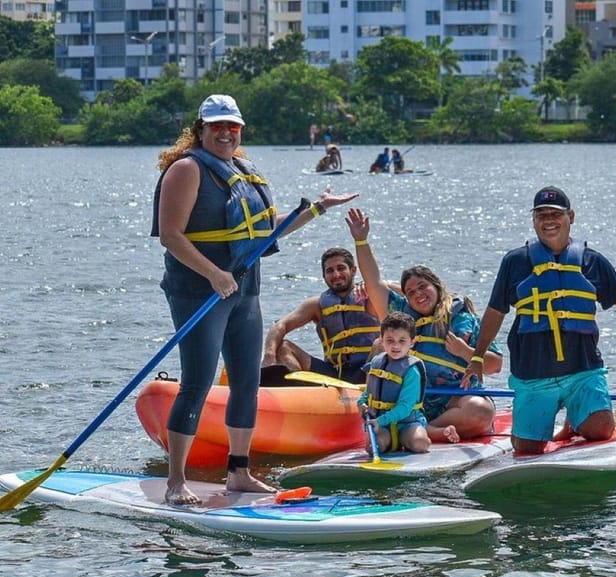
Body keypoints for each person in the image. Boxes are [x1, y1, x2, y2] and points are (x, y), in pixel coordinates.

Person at [153, 94, 359, 505]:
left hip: (244, 292)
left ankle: (239, 473)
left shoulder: (242, 172)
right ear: (201, 129)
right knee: (195, 383)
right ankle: (176, 480)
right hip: (199, 293)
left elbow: (266, 229)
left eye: (233, 126)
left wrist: (318, 208)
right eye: (217, 126)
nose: (226, 133)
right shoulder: (186, 170)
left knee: (247, 382)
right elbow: (171, 234)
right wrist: (213, 274)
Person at [461, 186, 616, 455]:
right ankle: (549, 419)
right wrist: (478, 357)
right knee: (527, 449)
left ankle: (577, 419)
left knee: (600, 429)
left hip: (583, 369)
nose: (548, 220)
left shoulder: (592, 261)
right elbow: (495, 312)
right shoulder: (515, 262)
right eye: (541, 215)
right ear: (533, 220)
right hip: (533, 371)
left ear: (571, 216)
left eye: (556, 214)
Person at [346, 207, 503, 443]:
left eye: (422, 286)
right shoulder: (401, 314)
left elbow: (495, 366)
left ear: (436, 286)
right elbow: (373, 281)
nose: (418, 294)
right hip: (411, 400)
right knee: (381, 345)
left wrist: (466, 352)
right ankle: (416, 427)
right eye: (411, 292)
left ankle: (424, 429)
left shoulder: (463, 316)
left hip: (454, 401)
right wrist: (361, 241)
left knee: (481, 411)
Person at [261, 247, 380, 385]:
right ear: (324, 276)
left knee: (381, 343)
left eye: (341, 268)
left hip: (367, 371)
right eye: (330, 271)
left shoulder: (373, 295)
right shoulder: (317, 305)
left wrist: (374, 285)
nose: (336, 275)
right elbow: (280, 326)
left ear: (353, 270)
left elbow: (405, 295)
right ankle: (300, 396)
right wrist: (269, 356)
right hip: (333, 372)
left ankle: (372, 394)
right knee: (283, 347)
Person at [358, 311, 437, 454]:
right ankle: (387, 443)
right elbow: (368, 392)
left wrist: (379, 421)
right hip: (383, 426)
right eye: (390, 340)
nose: (395, 346)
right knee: (375, 447)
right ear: (381, 339)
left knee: (420, 444)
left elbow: (405, 407)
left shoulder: (412, 371)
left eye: (402, 341)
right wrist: (361, 404)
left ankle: (420, 437)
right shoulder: (376, 363)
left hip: (408, 423)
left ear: (412, 342)